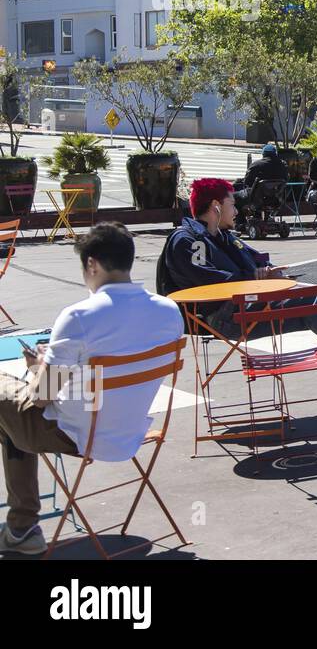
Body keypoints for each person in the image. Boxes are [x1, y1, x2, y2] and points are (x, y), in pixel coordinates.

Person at [0, 223, 184, 556]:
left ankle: (22, 525)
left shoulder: (78, 317)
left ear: (92, 264)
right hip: (130, 430)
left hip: (77, 433)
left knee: (7, 400)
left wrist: (36, 368)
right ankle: (20, 526)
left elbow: (42, 396)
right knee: (10, 418)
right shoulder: (169, 312)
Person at [159, 178, 317, 387]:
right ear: (216, 206)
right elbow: (210, 284)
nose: (236, 211)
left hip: (245, 307)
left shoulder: (224, 237)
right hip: (220, 318)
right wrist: (255, 279)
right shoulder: (189, 240)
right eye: (232, 204)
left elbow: (255, 264)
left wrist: (267, 272)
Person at [235, 143, 288, 226]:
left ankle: (240, 223)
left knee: (234, 197)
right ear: (275, 154)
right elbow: (286, 179)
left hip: (256, 197)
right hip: (275, 198)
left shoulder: (256, 165)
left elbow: (247, 182)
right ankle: (257, 216)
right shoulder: (283, 166)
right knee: (257, 193)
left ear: (263, 154)